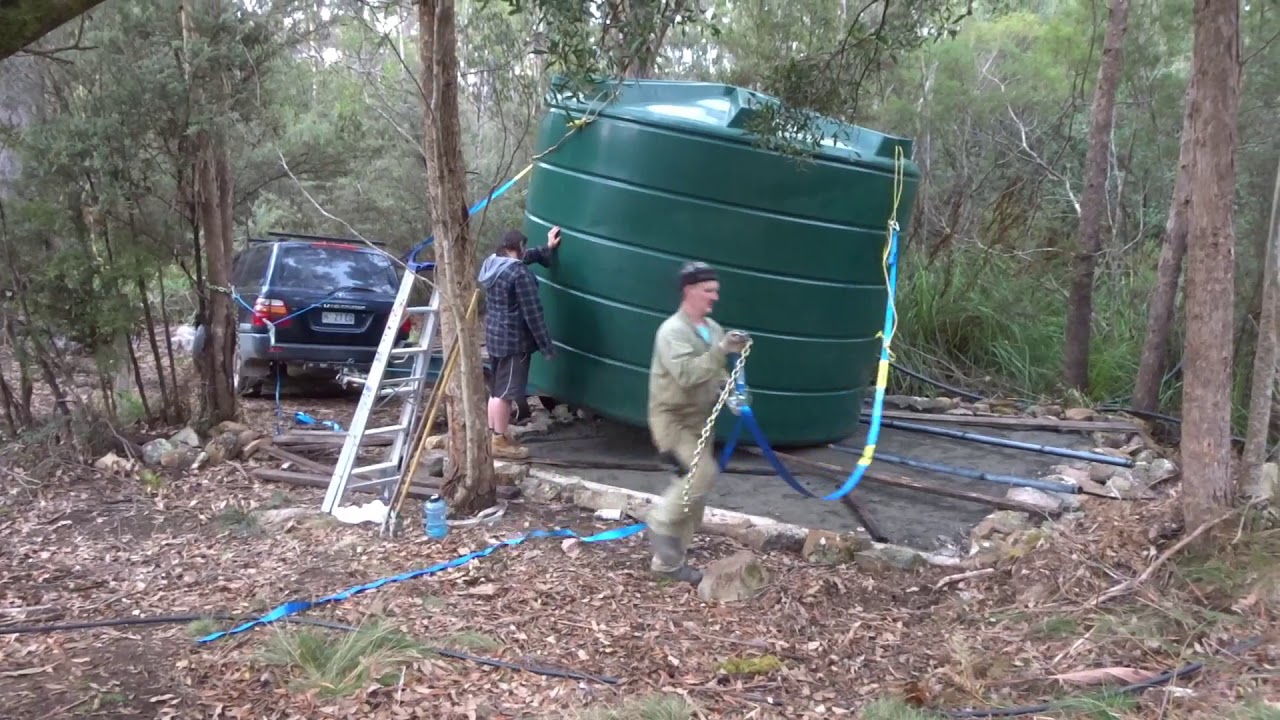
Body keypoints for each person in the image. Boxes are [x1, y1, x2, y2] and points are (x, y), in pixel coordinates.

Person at [645, 261, 750, 584]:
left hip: (701, 421)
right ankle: (659, 523)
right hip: (672, 420)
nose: (715, 297)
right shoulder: (671, 332)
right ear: (689, 290)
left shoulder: (713, 328)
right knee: (702, 474)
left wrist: (734, 392)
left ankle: (670, 563)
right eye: (708, 290)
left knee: (696, 496)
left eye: (716, 291)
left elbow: (716, 373)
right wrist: (721, 350)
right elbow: (687, 374)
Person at [477, 225, 562, 460]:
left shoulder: (493, 264)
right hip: (514, 341)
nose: (525, 251)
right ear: (516, 248)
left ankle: (494, 435)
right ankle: (499, 441)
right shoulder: (520, 275)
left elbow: (524, 258)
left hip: (494, 336)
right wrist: (546, 346)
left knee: (497, 390)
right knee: (506, 393)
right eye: (523, 247)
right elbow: (533, 313)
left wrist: (547, 248)